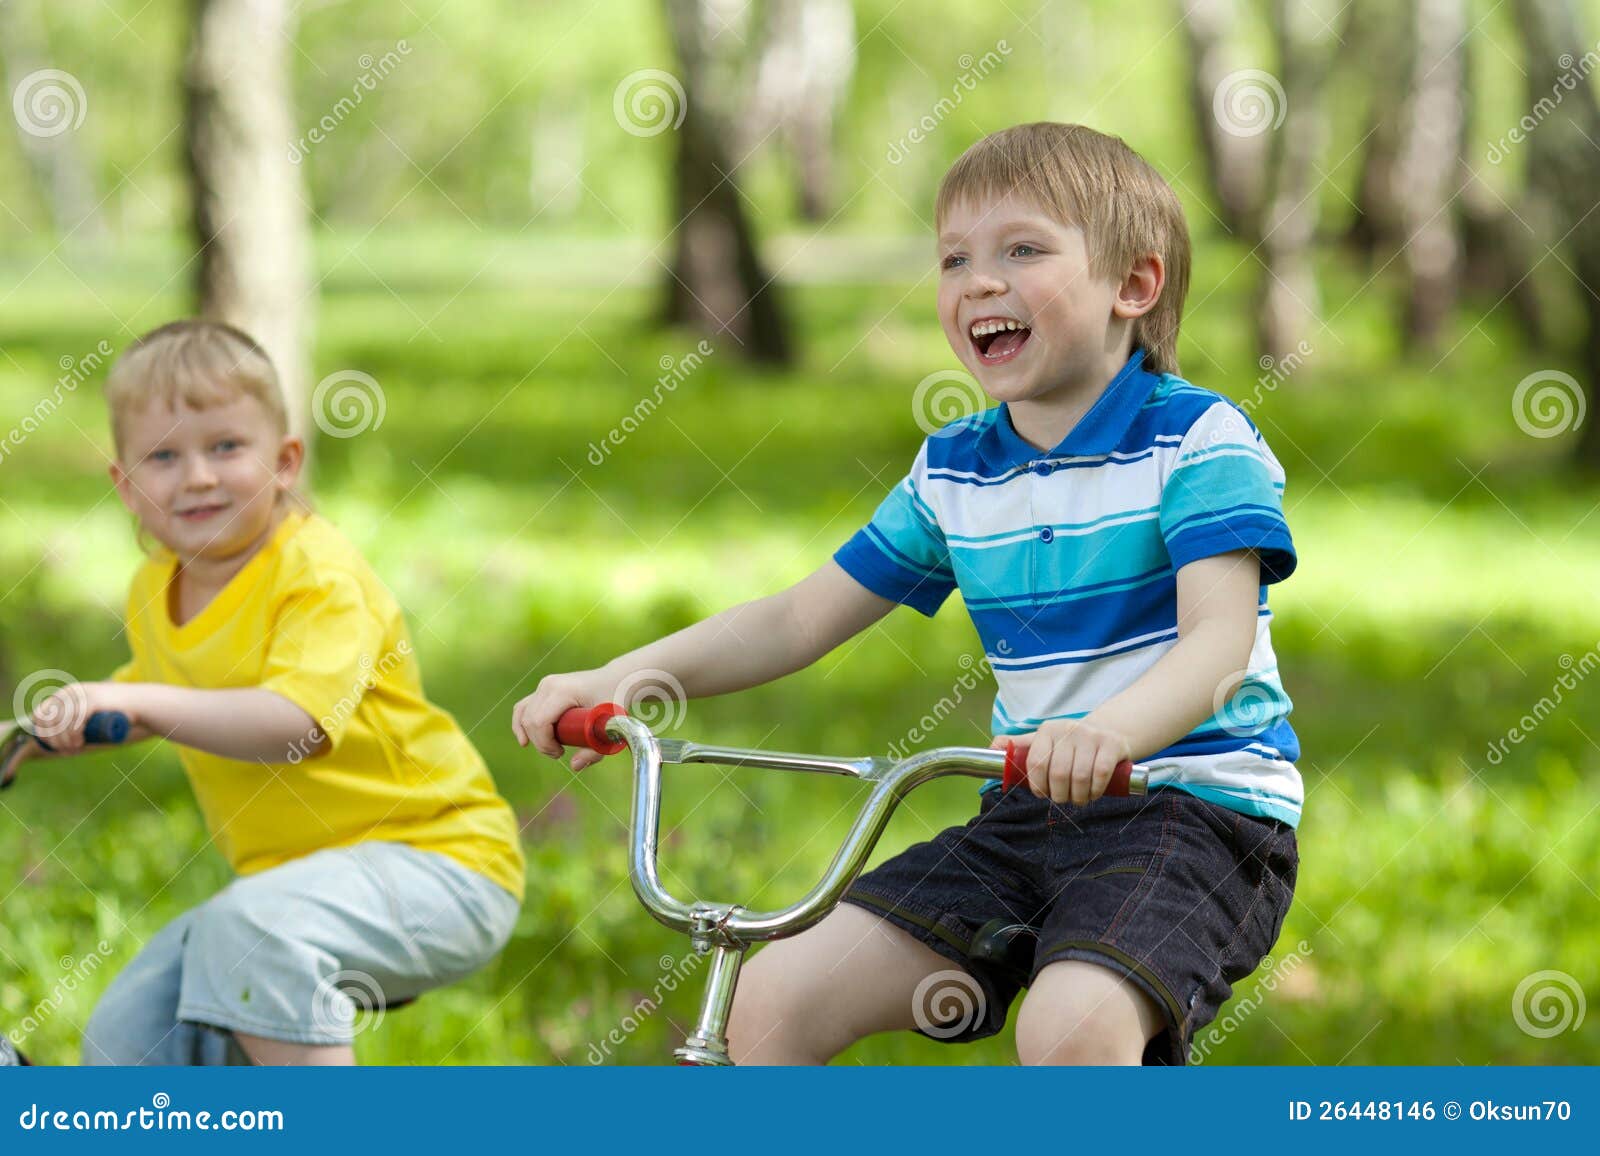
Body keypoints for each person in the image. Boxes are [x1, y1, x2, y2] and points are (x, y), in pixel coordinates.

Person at [513, 122, 1299, 1066]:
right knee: (773, 995)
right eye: (954, 258)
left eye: (1023, 250)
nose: (979, 282)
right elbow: (797, 618)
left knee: (1072, 1027)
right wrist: (620, 677)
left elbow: (1217, 646)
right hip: (1027, 811)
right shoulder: (957, 470)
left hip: (1194, 813)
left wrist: (1110, 733)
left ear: (1133, 286)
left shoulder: (1199, 442)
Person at [13, 320, 524, 1065]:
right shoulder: (154, 586)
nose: (197, 477)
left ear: (284, 462)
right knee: (131, 1027)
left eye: (225, 446)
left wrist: (141, 704)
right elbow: (157, 694)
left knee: (248, 933)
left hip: (441, 867)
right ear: (125, 486)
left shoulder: (317, 576)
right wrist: (36, 737)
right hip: (289, 891)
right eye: (164, 456)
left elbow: (295, 725)